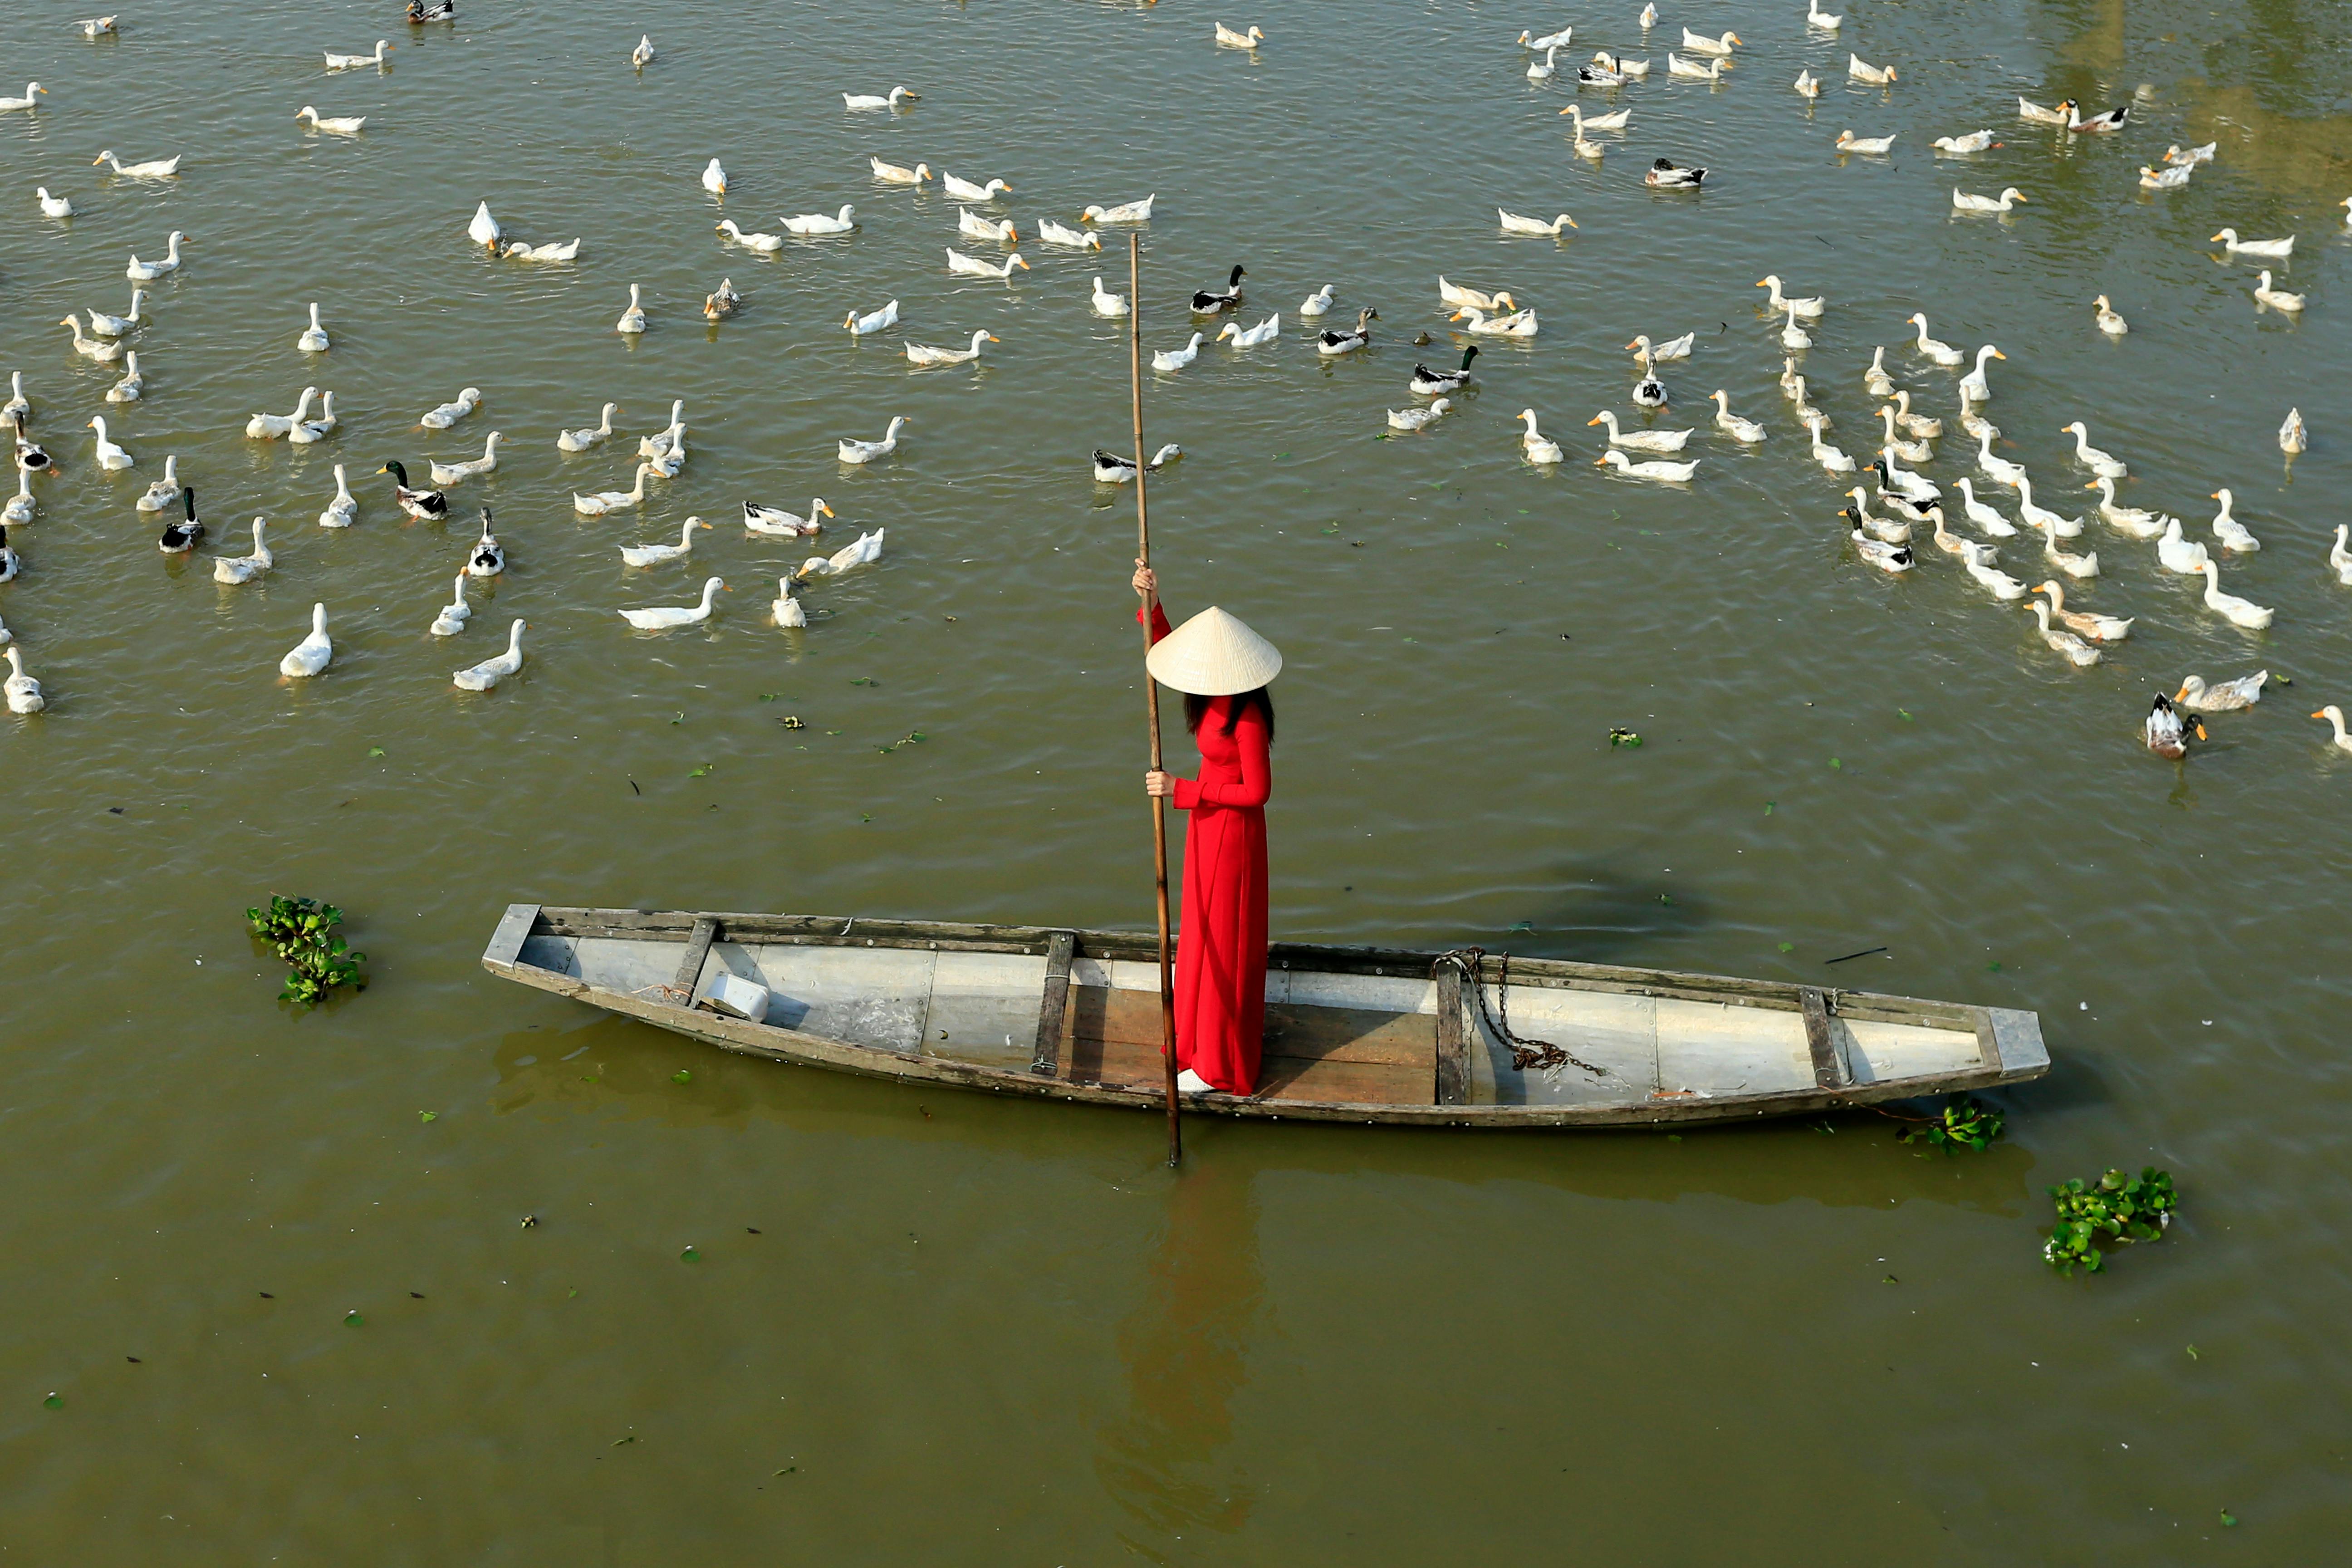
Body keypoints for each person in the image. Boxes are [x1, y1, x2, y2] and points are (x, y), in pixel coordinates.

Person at [1132, 562, 1281, 1097]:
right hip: (1205, 830)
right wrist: (1153, 600)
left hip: (1234, 836)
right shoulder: (1209, 694)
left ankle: (1220, 1066)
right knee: (1198, 935)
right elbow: (1166, 651)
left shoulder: (1248, 719)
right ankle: (1193, 1045)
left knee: (1223, 939)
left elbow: (1258, 793)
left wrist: (1183, 789)